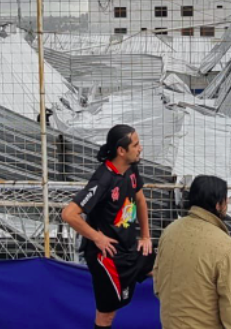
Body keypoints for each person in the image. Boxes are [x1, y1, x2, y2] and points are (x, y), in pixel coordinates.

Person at [62, 124, 155, 329]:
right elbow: (69, 214)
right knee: (106, 316)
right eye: (136, 145)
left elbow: (140, 200)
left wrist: (146, 236)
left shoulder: (131, 168)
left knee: (168, 271)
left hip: (130, 247)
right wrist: (97, 237)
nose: (140, 148)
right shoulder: (103, 179)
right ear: (121, 151)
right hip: (107, 255)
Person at [153, 175, 231, 329]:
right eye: (226, 200)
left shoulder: (170, 232)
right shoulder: (225, 246)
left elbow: (158, 283)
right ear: (218, 205)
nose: (227, 204)